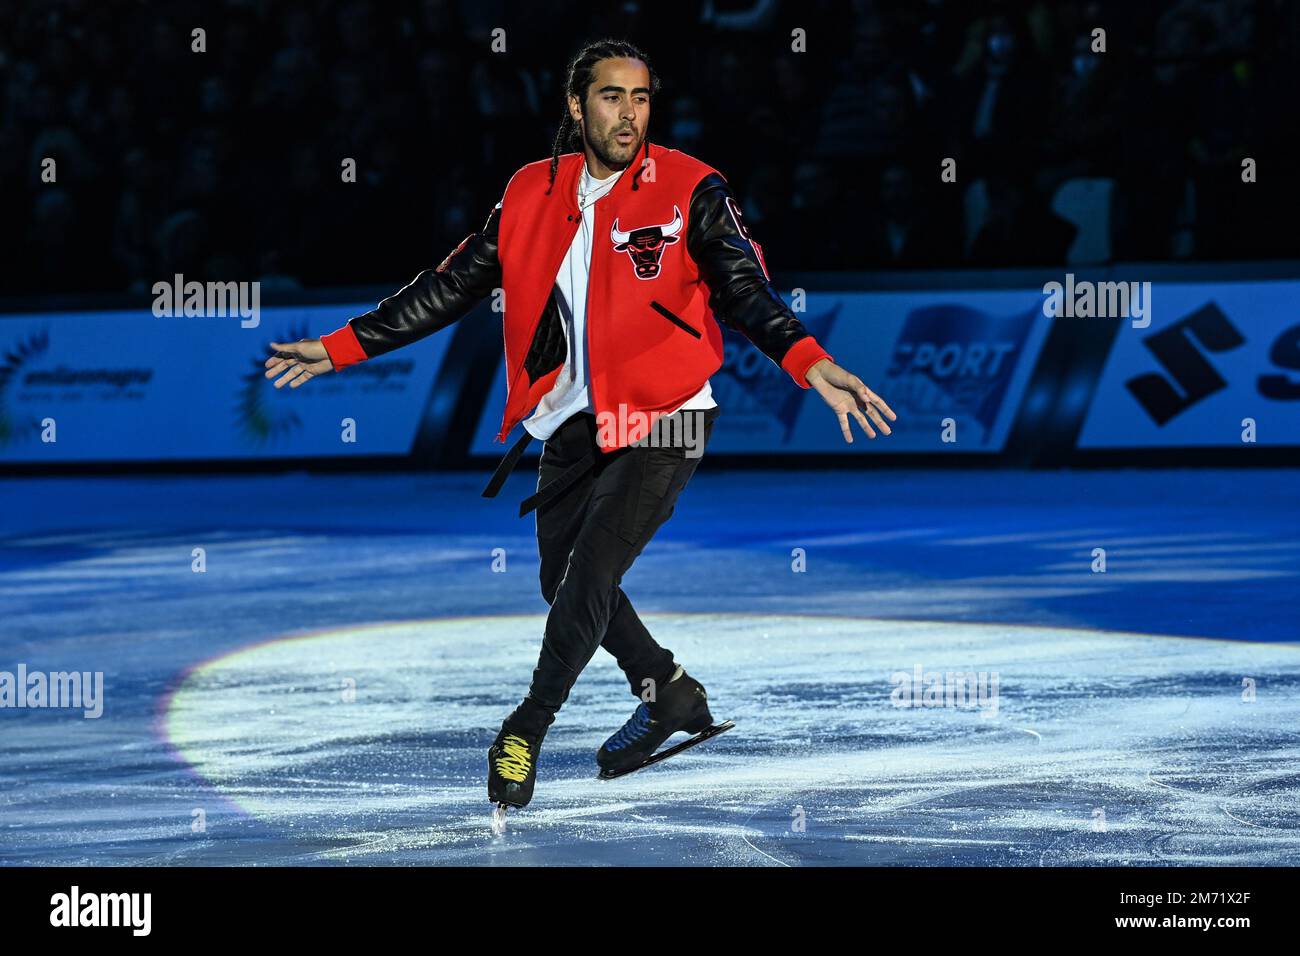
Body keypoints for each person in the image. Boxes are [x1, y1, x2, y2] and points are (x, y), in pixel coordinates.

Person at [263, 38, 896, 810]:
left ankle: (527, 725)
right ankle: (669, 694)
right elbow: (450, 284)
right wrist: (340, 348)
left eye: (640, 98)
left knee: (590, 576)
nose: (628, 114)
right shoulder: (531, 190)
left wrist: (805, 359)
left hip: (666, 418)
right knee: (560, 582)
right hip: (569, 419)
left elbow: (742, 286)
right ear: (575, 105)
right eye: (610, 97)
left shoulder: (691, 187)